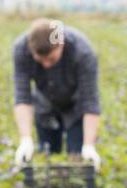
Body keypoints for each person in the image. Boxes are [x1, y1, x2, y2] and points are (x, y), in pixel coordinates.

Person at [11, 18, 101, 171]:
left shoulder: (83, 52)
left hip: (75, 106)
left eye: (51, 60)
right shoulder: (21, 50)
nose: (46, 65)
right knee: (48, 158)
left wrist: (89, 145)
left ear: (61, 44)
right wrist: (25, 139)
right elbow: (22, 96)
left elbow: (90, 101)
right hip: (44, 105)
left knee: (77, 159)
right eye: (40, 60)